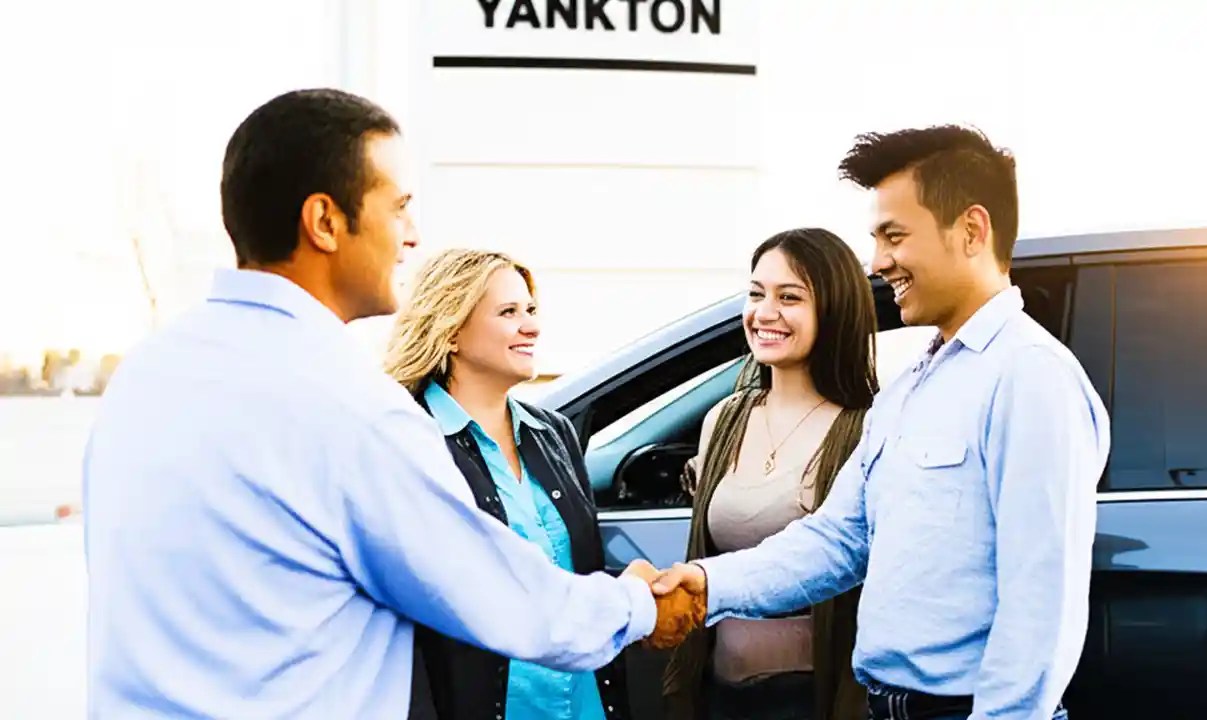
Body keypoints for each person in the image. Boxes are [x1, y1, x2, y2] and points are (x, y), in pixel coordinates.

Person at [80, 88, 688, 719]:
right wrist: (639, 604)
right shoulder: (351, 407)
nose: (413, 236)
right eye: (398, 208)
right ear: (324, 222)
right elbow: (509, 602)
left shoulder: (146, 375)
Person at [649, 125, 1111, 720]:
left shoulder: (1031, 377)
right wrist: (703, 585)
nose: (879, 262)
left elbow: (1042, 601)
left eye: (894, 237)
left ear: (972, 231)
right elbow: (839, 540)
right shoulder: (912, 388)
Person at [382, 248, 631, 720]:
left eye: (531, 310)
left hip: (582, 703)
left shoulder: (553, 433)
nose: (532, 326)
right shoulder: (408, 436)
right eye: (509, 312)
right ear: (452, 331)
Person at [662, 229, 879, 720]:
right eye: (756, 294)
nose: (764, 313)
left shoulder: (867, 428)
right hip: (721, 696)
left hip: (814, 701)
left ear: (835, 309)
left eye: (789, 298)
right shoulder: (725, 419)